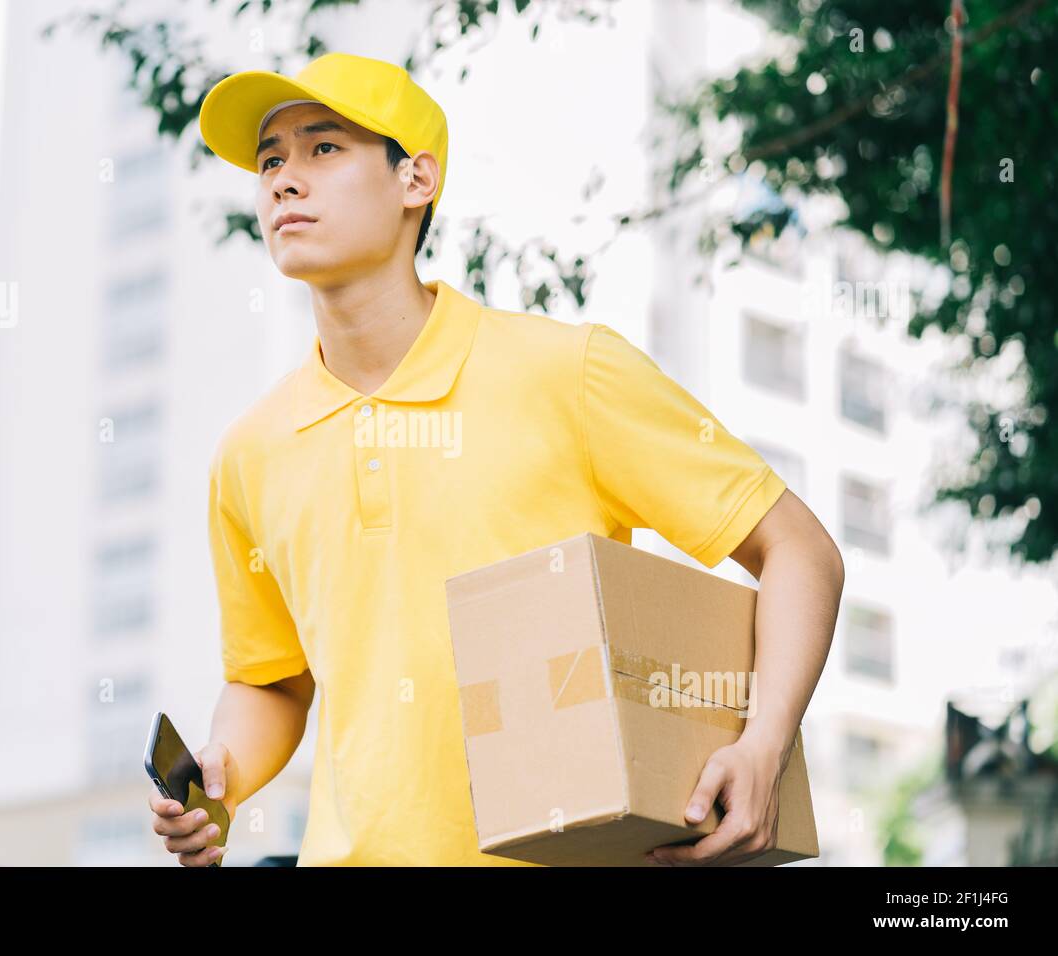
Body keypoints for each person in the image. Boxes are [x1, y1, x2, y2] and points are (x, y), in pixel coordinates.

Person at [149, 52, 845, 867]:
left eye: (323, 149)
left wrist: (763, 746)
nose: (283, 181)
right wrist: (224, 775)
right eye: (270, 160)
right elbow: (273, 678)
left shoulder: (571, 373)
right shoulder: (250, 452)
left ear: (416, 181)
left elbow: (801, 551)